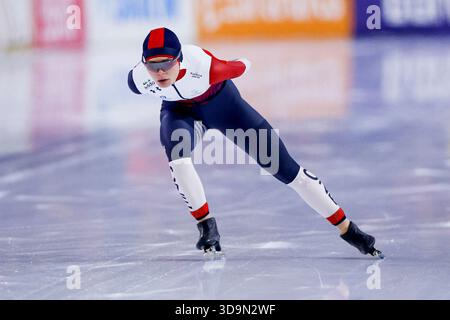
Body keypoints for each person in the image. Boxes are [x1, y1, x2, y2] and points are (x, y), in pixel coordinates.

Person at [127, 27, 383, 259]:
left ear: (179, 59)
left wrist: (243, 62)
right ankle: (207, 226)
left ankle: (349, 230)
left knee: (289, 172)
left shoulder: (206, 67)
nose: (160, 72)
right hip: (180, 112)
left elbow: (242, 65)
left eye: (167, 64)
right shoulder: (139, 79)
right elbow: (142, 78)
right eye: (153, 65)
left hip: (226, 109)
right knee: (178, 159)